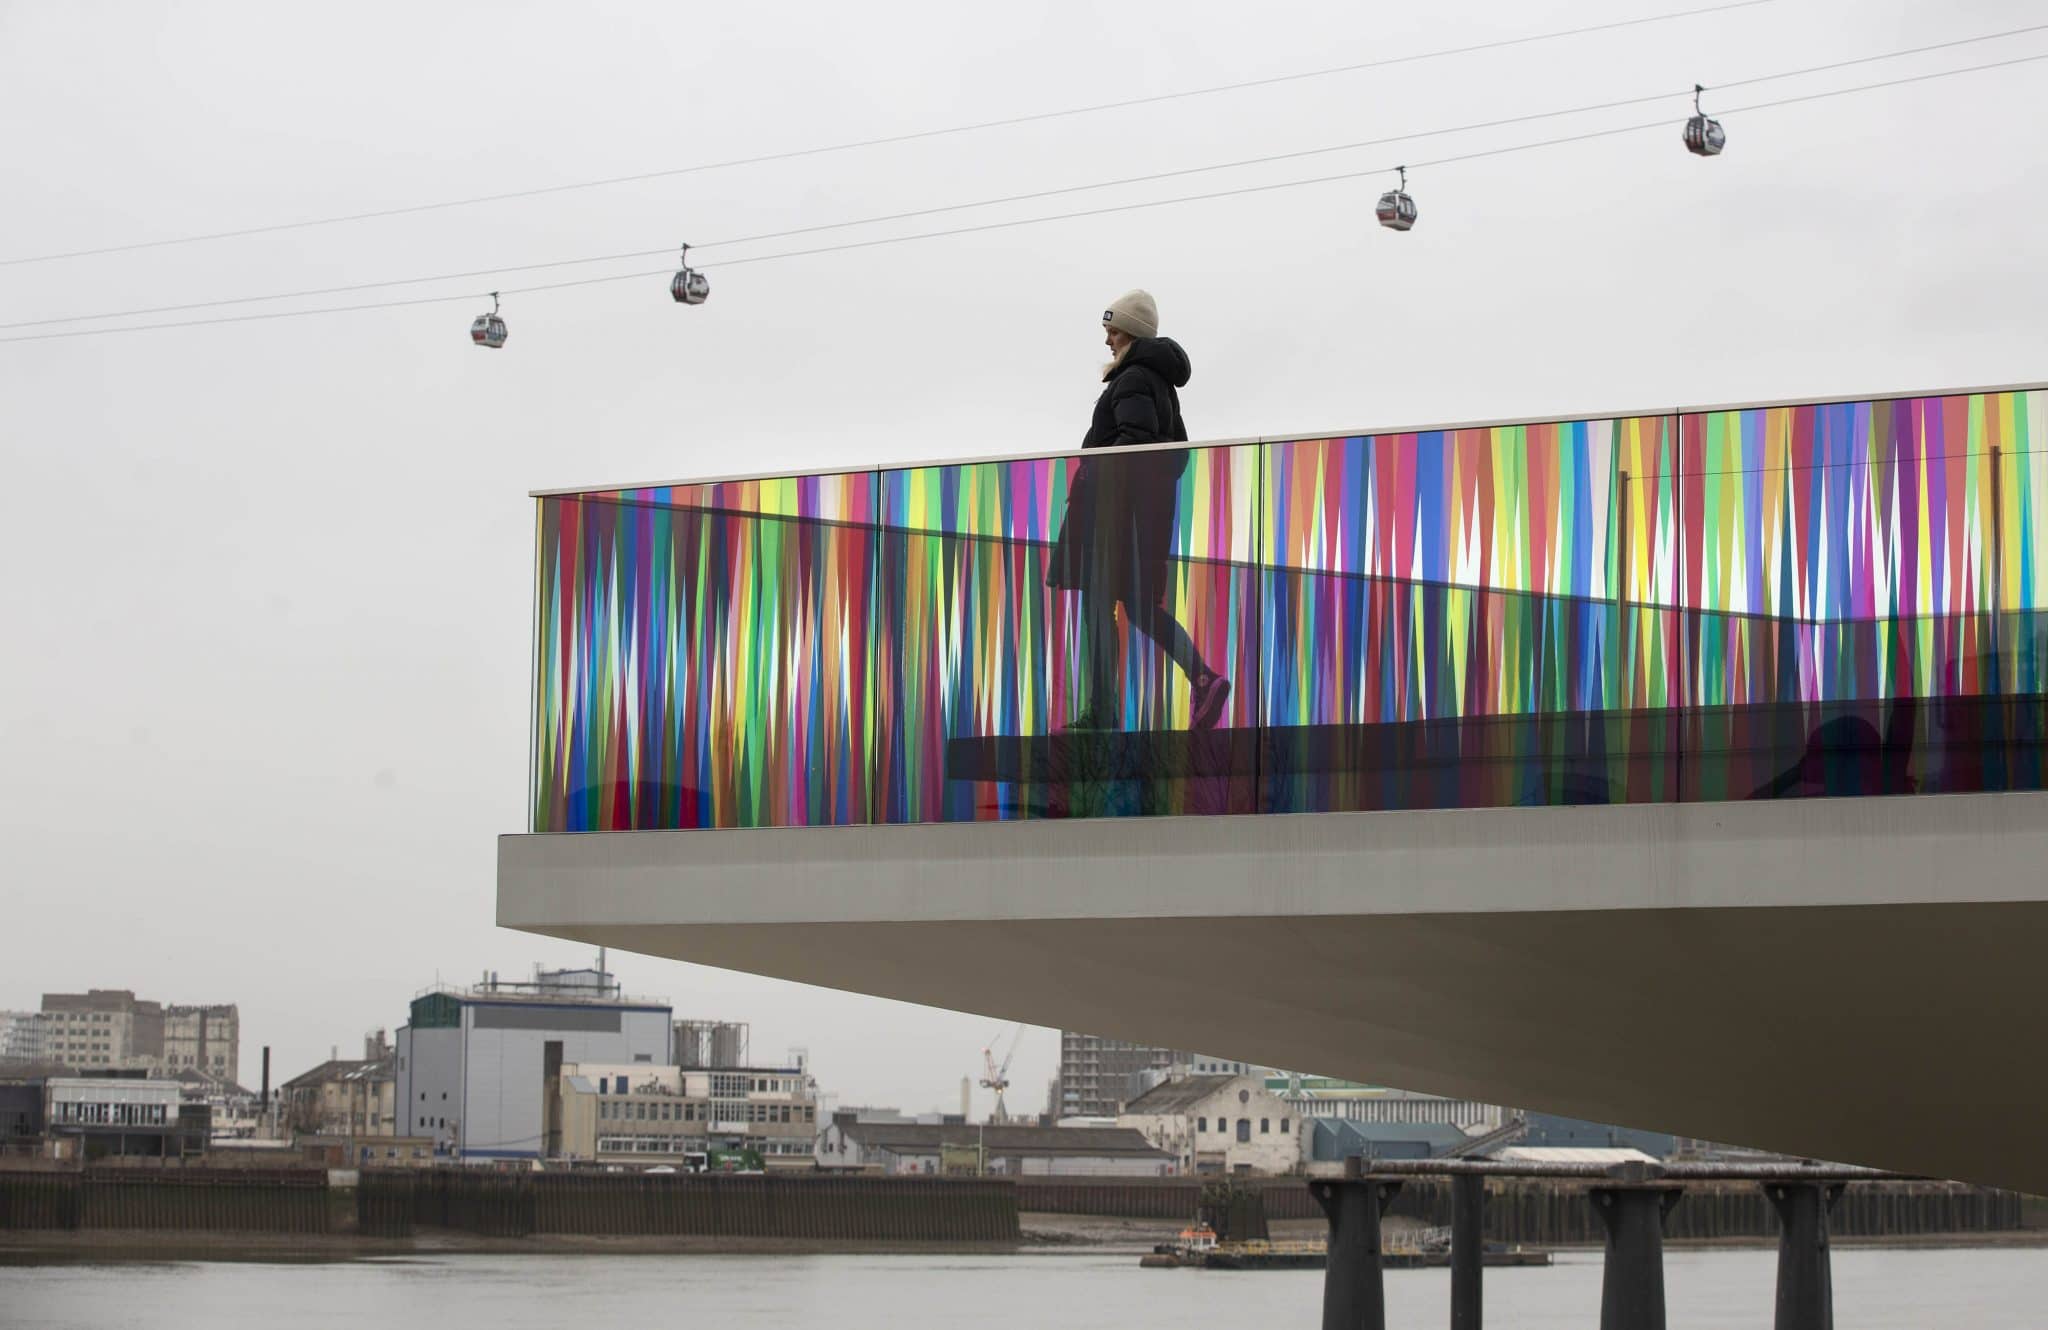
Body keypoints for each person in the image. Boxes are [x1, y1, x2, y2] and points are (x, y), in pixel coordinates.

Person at [1047, 289, 1231, 730]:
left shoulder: (1131, 379)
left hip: (1115, 516)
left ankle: (1103, 713)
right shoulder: (1159, 384)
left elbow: (1136, 441)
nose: (1108, 341)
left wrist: (1096, 473)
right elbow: (1177, 455)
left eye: (1113, 331)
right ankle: (1203, 679)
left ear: (1131, 333)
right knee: (1140, 606)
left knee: (1098, 605)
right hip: (1140, 516)